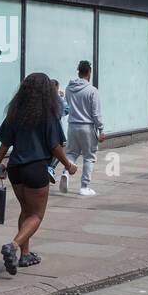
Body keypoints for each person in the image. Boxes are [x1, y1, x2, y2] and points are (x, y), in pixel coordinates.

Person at [0, 73, 77, 275]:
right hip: (35, 168)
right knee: (36, 215)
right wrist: (68, 165)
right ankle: (13, 246)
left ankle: (25, 255)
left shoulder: (15, 113)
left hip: (15, 168)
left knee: (25, 210)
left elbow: (5, 142)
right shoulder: (48, 114)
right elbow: (55, 146)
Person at [61, 60, 105, 197]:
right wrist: (101, 129)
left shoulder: (69, 89)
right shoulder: (92, 91)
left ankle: (66, 173)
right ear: (89, 73)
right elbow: (96, 113)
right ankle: (84, 187)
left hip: (72, 126)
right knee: (89, 157)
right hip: (87, 127)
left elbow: (67, 106)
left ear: (78, 72)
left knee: (71, 154)